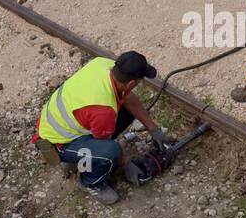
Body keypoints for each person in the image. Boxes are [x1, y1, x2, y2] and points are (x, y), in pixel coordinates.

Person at [32, 51, 168, 204]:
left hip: (60, 122)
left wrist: (153, 128)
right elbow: (106, 144)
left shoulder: (104, 64)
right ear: (131, 83)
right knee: (111, 152)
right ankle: (91, 182)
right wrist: (126, 164)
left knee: (127, 112)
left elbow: (127, 98)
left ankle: (81, 156)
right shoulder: (103, 109)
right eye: (139, 81)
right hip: (58, 141)